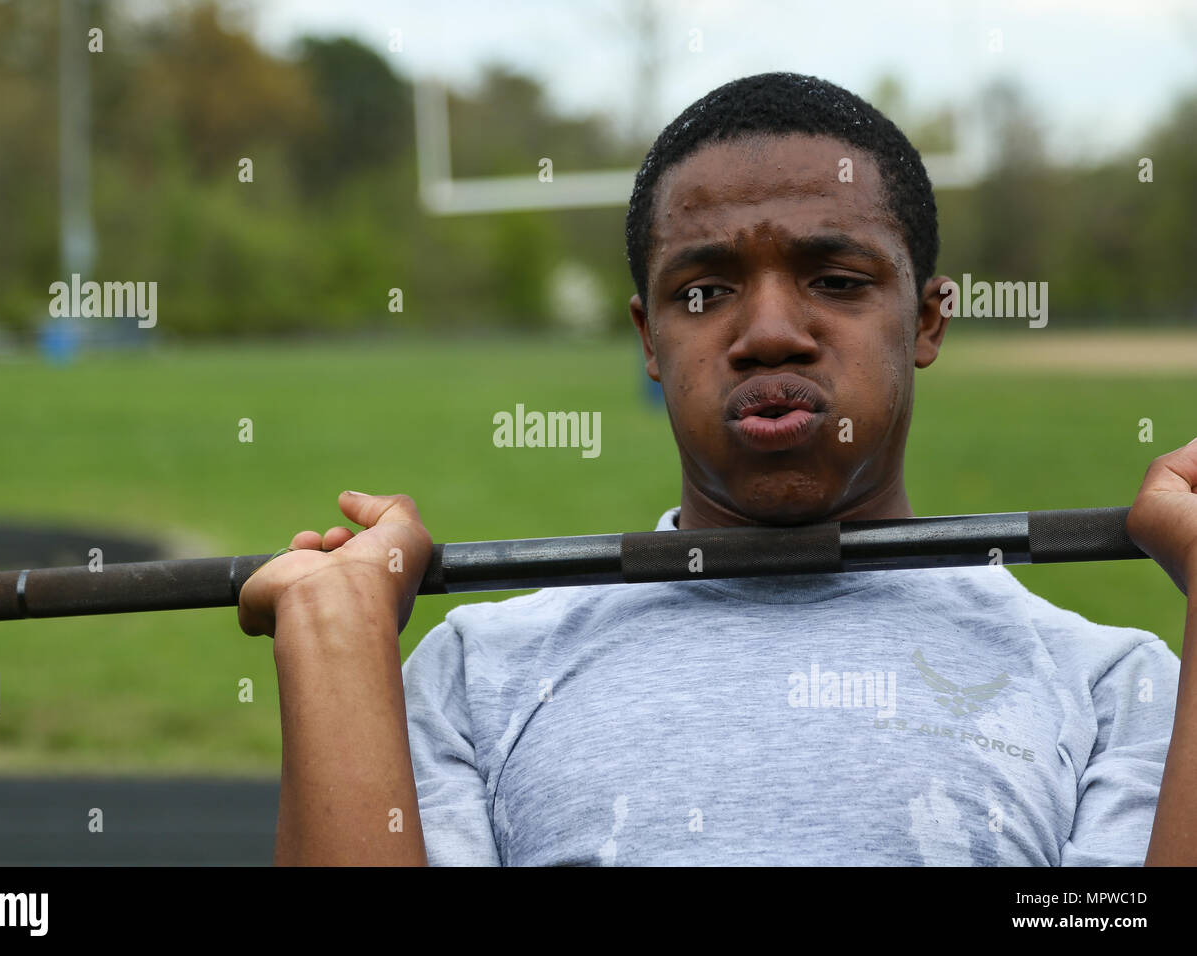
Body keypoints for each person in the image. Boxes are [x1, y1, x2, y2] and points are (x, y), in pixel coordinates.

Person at [237, 72, 1197, 866]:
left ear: (928, 321)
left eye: (838, 281)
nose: (770, 333)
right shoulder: (474, 679)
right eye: (703, 292)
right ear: (650, 340)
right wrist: (333, 635)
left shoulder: (1112, 689)